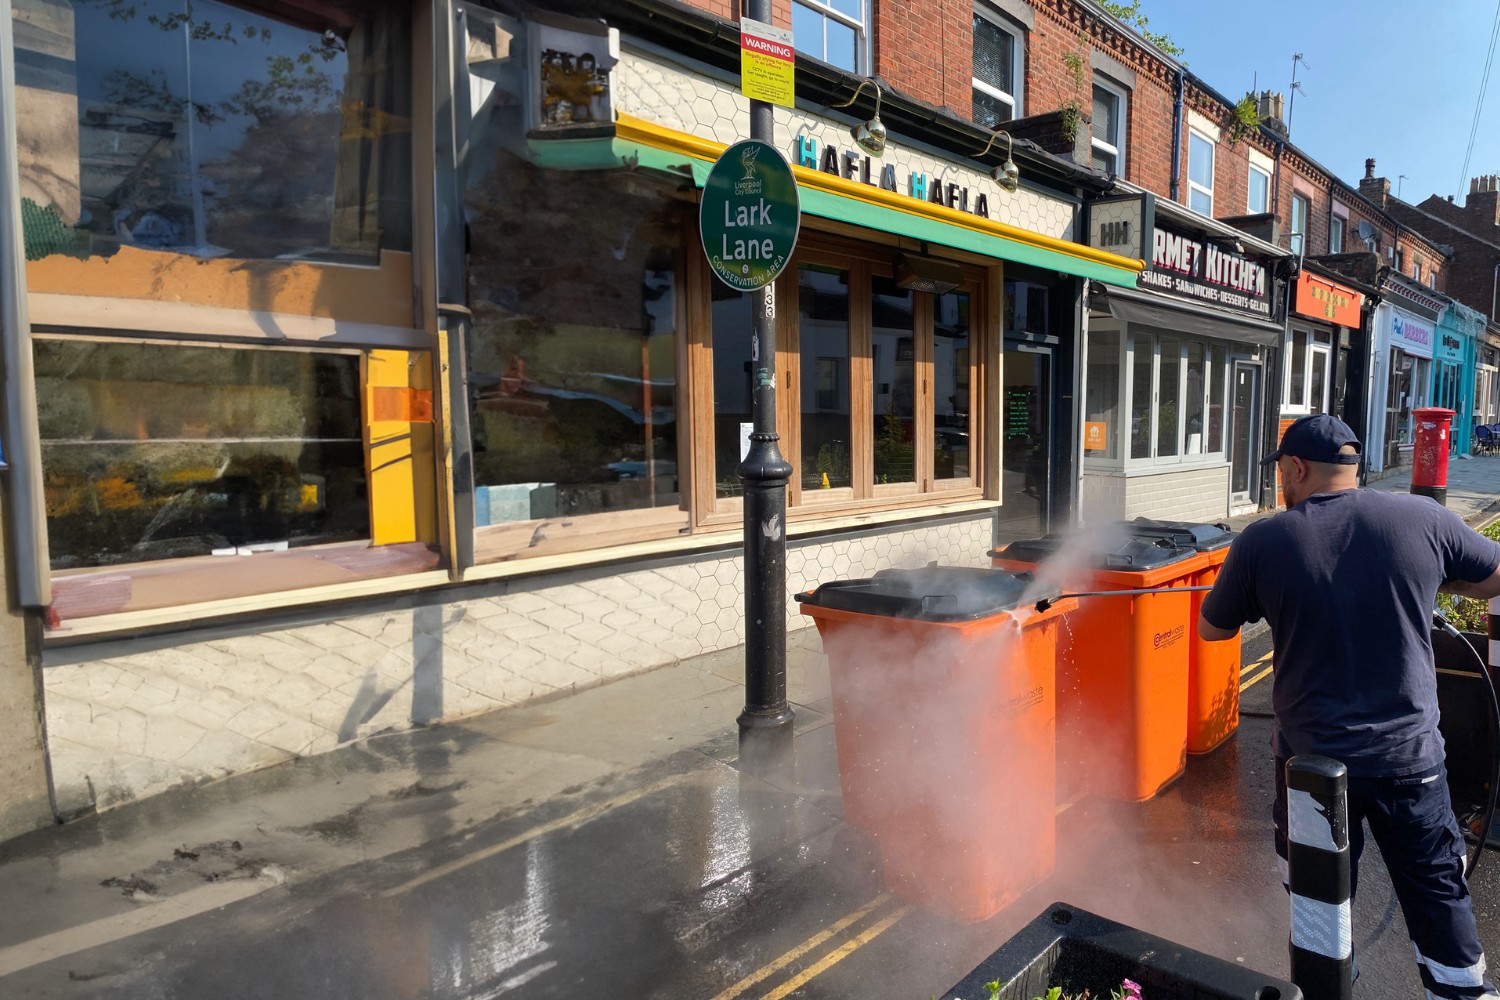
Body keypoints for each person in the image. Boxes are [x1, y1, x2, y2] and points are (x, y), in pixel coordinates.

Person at [1198, 413, 1500, 1000]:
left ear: (1298, 468)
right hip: (1411, 763)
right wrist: (1426, 582)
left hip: (1312, 770)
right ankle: (1464, 992)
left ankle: (1331, 987)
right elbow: (1492, 578)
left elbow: (1213, 630)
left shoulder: (1264, 539)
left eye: (1281, 470)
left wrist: (1264, 591)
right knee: (1438, 895)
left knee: (1320, 906)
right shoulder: (1425, 519)